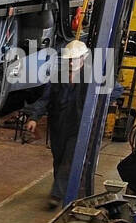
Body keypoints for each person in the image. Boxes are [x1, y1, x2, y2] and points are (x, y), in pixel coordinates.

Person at [24, 38, 90, 210]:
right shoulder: (57, 76)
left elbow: (115, 90)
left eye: (75, 59)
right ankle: (62, 187)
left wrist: (98, 108)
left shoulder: (93, 78)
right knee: (59, 159)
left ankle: (57, 194)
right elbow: (45, 99)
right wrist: (33, 118)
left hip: (79, 126)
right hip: (58, 125)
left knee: (69, 159)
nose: (71, 62)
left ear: (83, 59)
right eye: (69, 59)